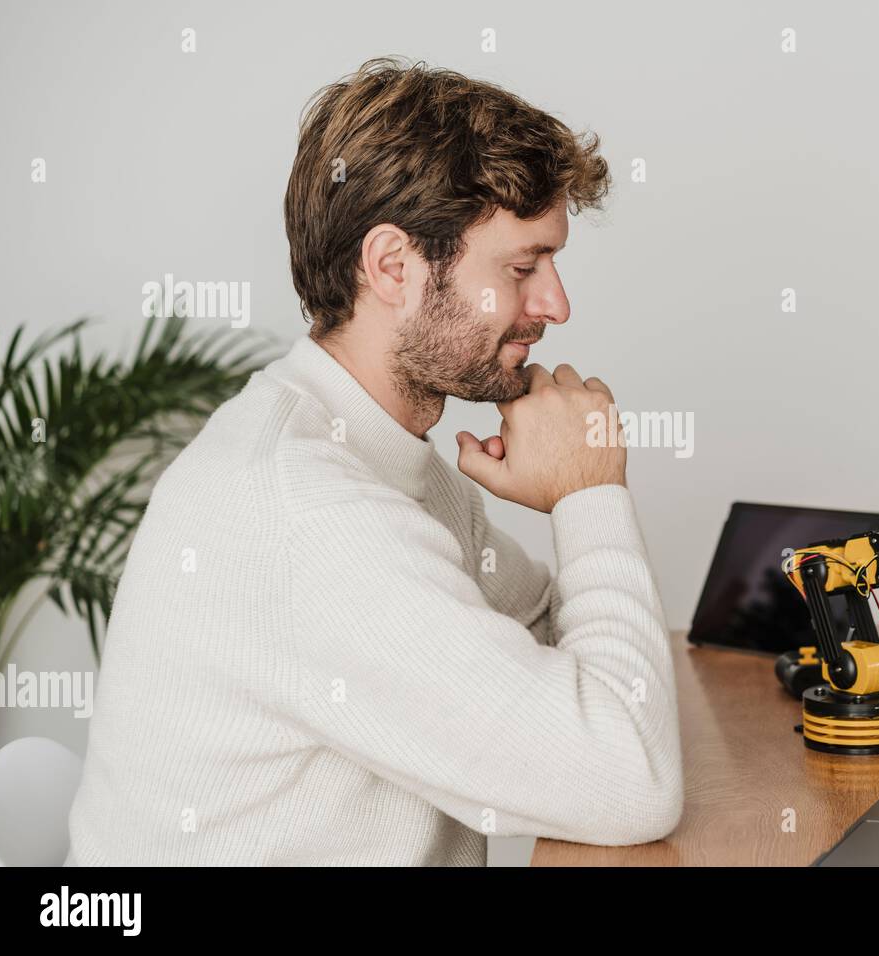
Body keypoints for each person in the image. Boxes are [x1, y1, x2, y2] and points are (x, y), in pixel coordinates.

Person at [66, 57, 683, 866]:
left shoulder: (377, 458)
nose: (555, 305)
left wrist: (579, 501)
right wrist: (588, 493)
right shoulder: (311, 514)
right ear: (393, 266)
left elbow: (554, 643)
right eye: (523, 267)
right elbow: (629, 777)